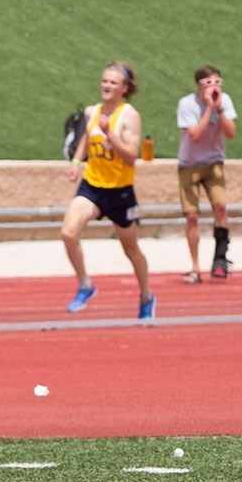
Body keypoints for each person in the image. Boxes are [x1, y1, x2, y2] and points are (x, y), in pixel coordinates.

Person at [61, 62, 155, 319]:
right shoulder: (93, 112)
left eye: (113, 83)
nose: (107, 86)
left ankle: (146, 295)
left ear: (124, 88)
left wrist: (110, 134)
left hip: (120, 191)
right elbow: (85, 140)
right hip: (92, 186)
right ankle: (85, 285)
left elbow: (130, 157)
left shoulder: (129, 115)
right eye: (104, 81)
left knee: (131, 249)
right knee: (68, 234)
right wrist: (76, 163)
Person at [176, 66, 238, 282]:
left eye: (217, 82)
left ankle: (220, 259)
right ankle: (195, 267)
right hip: (190, 164)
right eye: (208, 83)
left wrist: (219, 109)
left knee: (220, 206)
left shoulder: (225, 101)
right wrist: (209, 109)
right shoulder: (187, 104)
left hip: (213, 162)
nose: (214, 87)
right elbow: (195, 135)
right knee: (192, 215)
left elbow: (230, 133)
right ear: (199, 86)